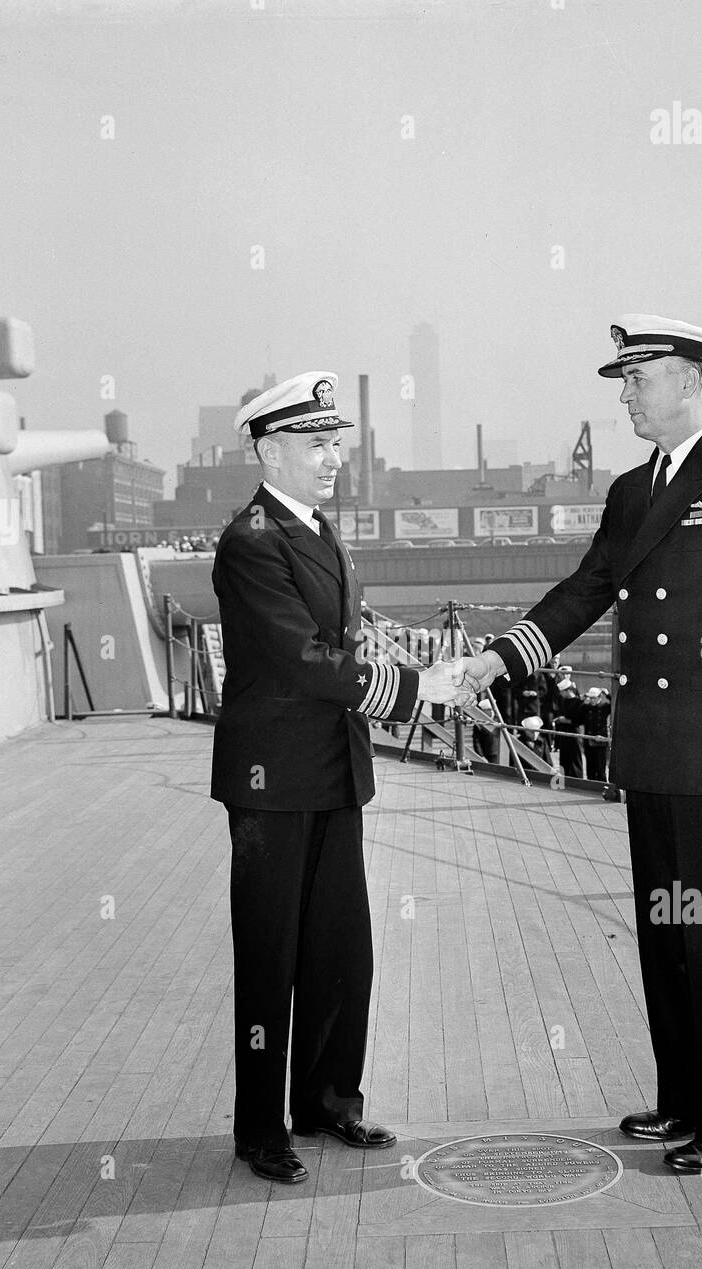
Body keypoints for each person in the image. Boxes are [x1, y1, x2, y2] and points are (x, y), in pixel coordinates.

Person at [453, 316, 702, 1174]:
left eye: (639, 379)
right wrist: (499, 658)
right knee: (667, 929)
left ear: (692, 382)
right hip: (651, 751)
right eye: (622, 381)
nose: (624, 396)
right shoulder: (630, 490)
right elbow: (586, 589)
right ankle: (685, 1098)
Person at [211, 371, 460, 1183]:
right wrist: (418, 690)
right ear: (269, 448)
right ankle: (260, 1130)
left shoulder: (314, 529)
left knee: (338, 949)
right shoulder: (251, 540)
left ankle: (326, 1101)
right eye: (316, 445)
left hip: (330, 773)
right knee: (270, 955)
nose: (331, 461)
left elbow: (338, 650)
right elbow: (305, 656)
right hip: (270, 780)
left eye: (334, 446)